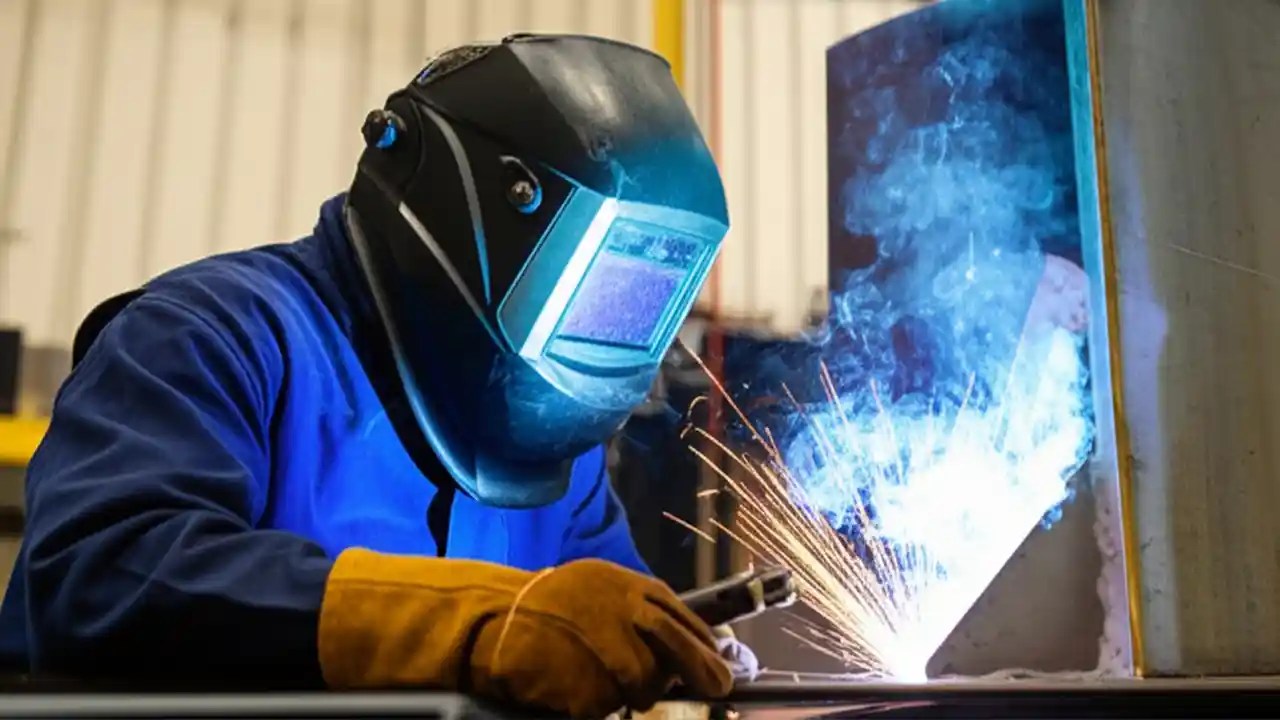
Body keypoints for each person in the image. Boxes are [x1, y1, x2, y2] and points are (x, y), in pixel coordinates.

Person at [0, 34, 748, 719]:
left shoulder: (561, 452)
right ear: (469, 212)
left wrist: (669, 653)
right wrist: (474, 622)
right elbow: (101, 577)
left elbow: (601, 614)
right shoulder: (214, 333)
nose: (605, 331)